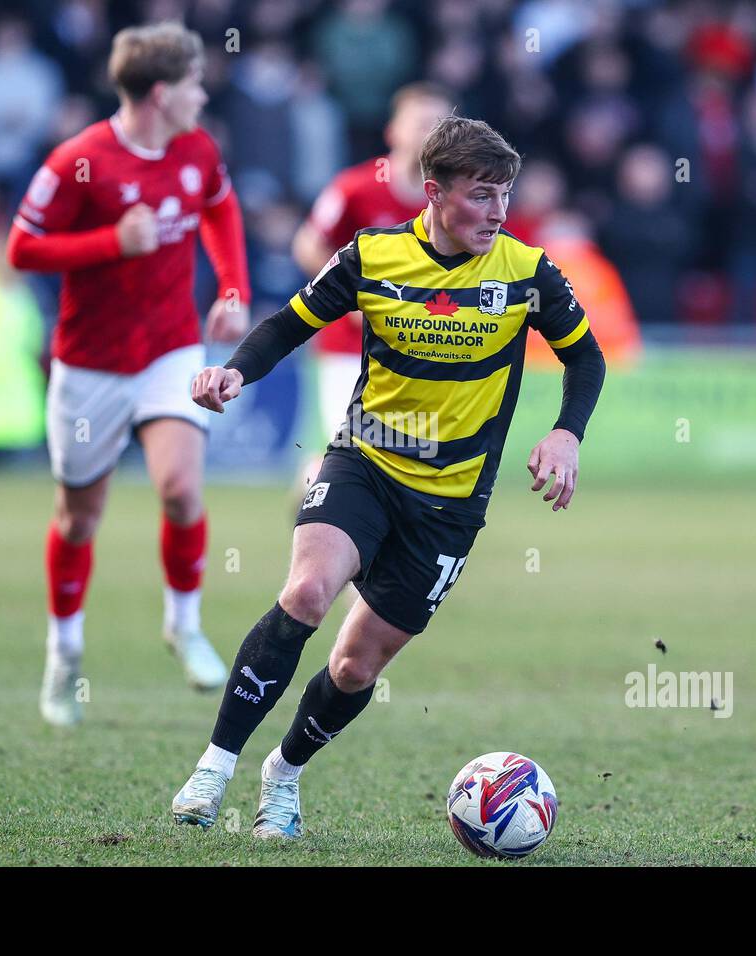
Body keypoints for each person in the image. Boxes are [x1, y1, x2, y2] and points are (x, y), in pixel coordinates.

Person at [171, 116, 604, 838]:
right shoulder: (373, 255)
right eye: (482, 195)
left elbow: (585, 356)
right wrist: (233, 371)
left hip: (450, 505)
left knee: (354, 668)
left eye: (506, 196)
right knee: (308, 591)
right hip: (365, 464)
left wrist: (566, 432)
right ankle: (214, 767)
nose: (498, 213)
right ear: (434, 193)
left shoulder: (527, 272)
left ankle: (283, 774)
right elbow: (291, 323)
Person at [6, 22, 251, 726]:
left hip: (171, 350)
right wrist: (110, 242)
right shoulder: (80, 161)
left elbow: (220, 209)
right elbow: (22, 248)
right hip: (89, 364)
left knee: (180, 488)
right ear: (161, 92)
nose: (204, 96)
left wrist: (232, 290)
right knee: (79, 518)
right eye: (196, 84)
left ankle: (184, 623)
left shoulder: (198, 149)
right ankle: (64, 650)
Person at [291, 82, 452, 485]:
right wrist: (351, 298)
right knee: (351, 450)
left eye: (440, 124)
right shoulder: (356, 188)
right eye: (421, 123)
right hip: (351, 345)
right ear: (393, 131)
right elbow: (308, 245)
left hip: (418, 345)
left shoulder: (453, 199)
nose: (430, 133)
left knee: (407, 457)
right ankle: (317, 517)